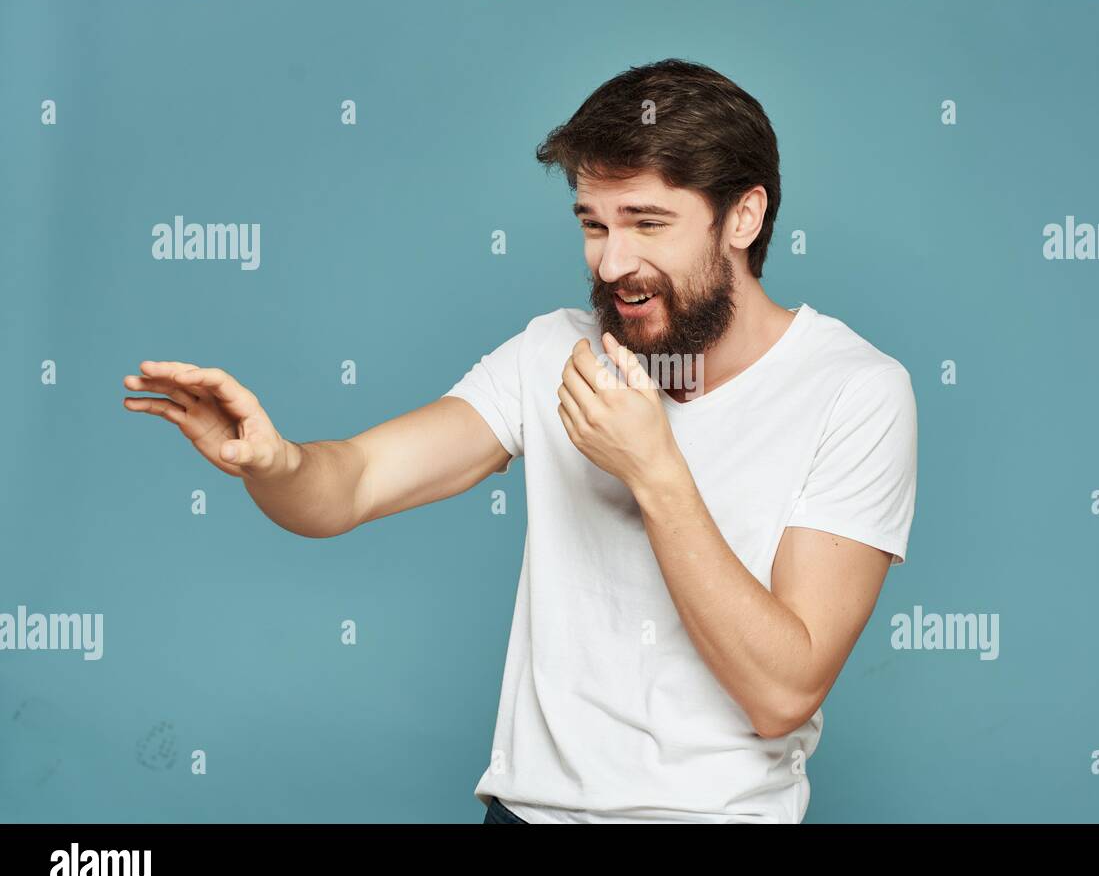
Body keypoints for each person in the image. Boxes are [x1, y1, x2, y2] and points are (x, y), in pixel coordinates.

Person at [123, 59, 918, 824]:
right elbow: (352, 485)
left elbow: (782, 695)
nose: (613, 263)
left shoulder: (854, 391)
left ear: (743, 217)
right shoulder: (555, 354)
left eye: (648, 223)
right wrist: (274, 461)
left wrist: (654, 469)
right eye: (593, 224)